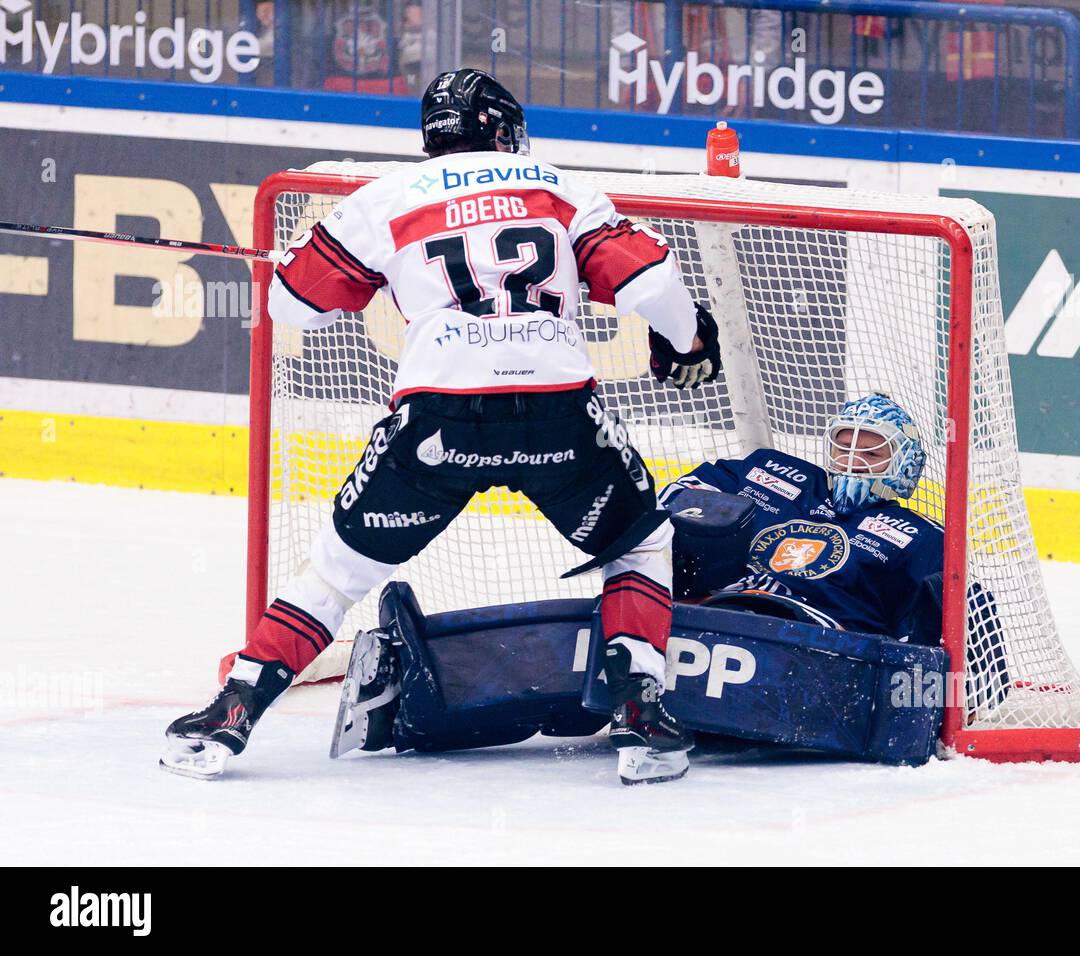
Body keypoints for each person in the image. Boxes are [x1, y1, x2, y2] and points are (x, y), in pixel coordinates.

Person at [162, 68, 720, 785]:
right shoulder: (554, 184)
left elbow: (292, 307)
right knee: (642, 544)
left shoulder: (384, 199)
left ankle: (231, 712)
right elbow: (651, 284)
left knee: (337, 572)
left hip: (441, 420)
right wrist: (685, 341)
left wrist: (350, 277)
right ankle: (641, 712)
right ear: (500, 128)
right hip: (557, 413)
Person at [663, 392, 946, 642]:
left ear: (905, 465)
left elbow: (950, 630)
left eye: (870, 453)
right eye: (844, 449)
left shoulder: (919, 537)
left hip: (818, 644)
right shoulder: (769, 471)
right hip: (720, 607)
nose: (852, 463)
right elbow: (672, 504)